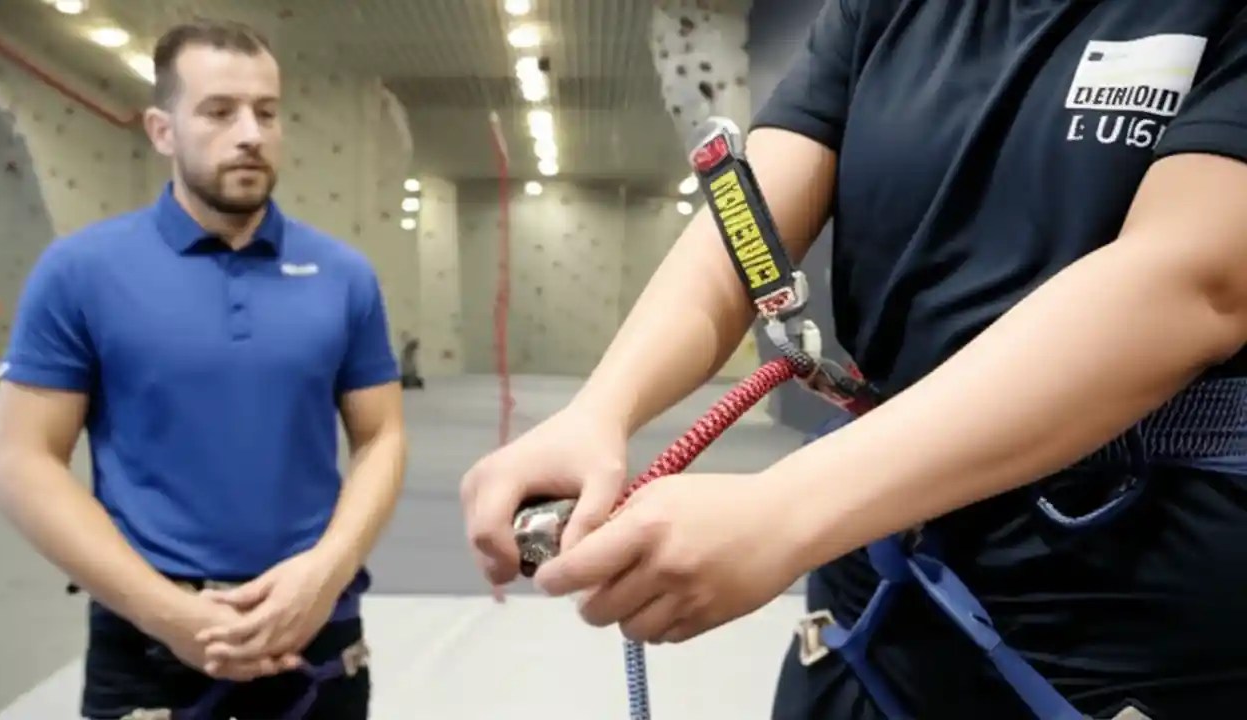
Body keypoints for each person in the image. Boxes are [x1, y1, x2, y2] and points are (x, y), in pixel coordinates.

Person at [461, 2, 1247, 718]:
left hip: (1123, 595)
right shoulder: (885, 10)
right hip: (880, 569)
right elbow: (748, 228)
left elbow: (1193, 283)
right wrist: (602, 408)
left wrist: (784, 511)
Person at [0, 19, 406, 720]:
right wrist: (171, 614)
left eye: (266, 112)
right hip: (149, 643)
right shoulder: (82, 272)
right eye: (218, 111)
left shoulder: (343, 276)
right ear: (161, 129)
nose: (250, 133)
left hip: (315, 627)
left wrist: (323, 574)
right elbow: (23, 460)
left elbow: (382, 436)